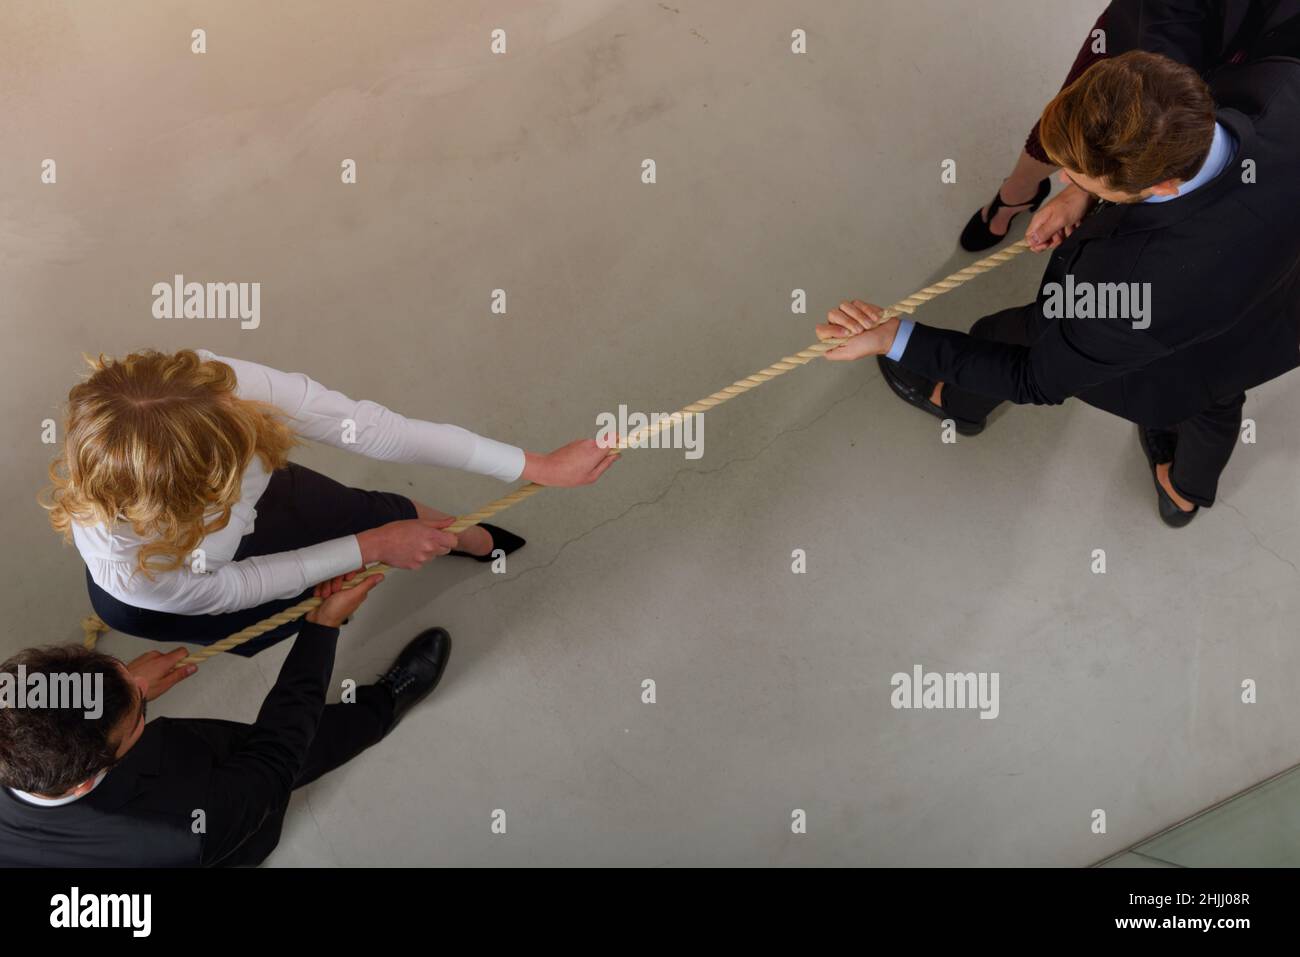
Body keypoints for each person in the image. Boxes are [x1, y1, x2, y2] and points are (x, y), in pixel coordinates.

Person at [821, 51, 1300, 526]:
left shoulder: (1126, 291)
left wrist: (892, 337)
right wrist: (1087, 193)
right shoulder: (1283, 86)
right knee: (1215, 399)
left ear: (1164, 186)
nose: (1063, 181)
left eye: (1075, 177)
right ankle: (1186, 491)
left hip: (1168, 342)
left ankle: (956, 403)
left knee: (1010, 332)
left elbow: (1034, 378)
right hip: (1274, 317)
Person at [43, 349, 619, 655]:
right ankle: (413, 546)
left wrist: (536, 465)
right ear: (183, 502)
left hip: (204, 543)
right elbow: (229, 588)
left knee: (377, 509)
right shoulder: (134, 568)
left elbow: (371, 430)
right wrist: (369, 548)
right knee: (315, 597)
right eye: (229, 496)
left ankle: (466, 539)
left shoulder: (203, 388)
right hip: (183, 592)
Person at [0, 569, 447, 866]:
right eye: (137, 715)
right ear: (84, 779)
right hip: (223, 825)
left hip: (171, 765)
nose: (136, 681)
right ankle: (384, 706)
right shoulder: (178, 833)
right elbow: (277, 752)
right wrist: (321, 627)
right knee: (298, 752)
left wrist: (121, 691)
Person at [961, 0, 1300, 252]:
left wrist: (1095, 183)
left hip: (1266, 81)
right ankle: (1018, 193)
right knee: (1073, 129)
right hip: (1154, 42)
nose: (1067, 175)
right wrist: (1092, 178)